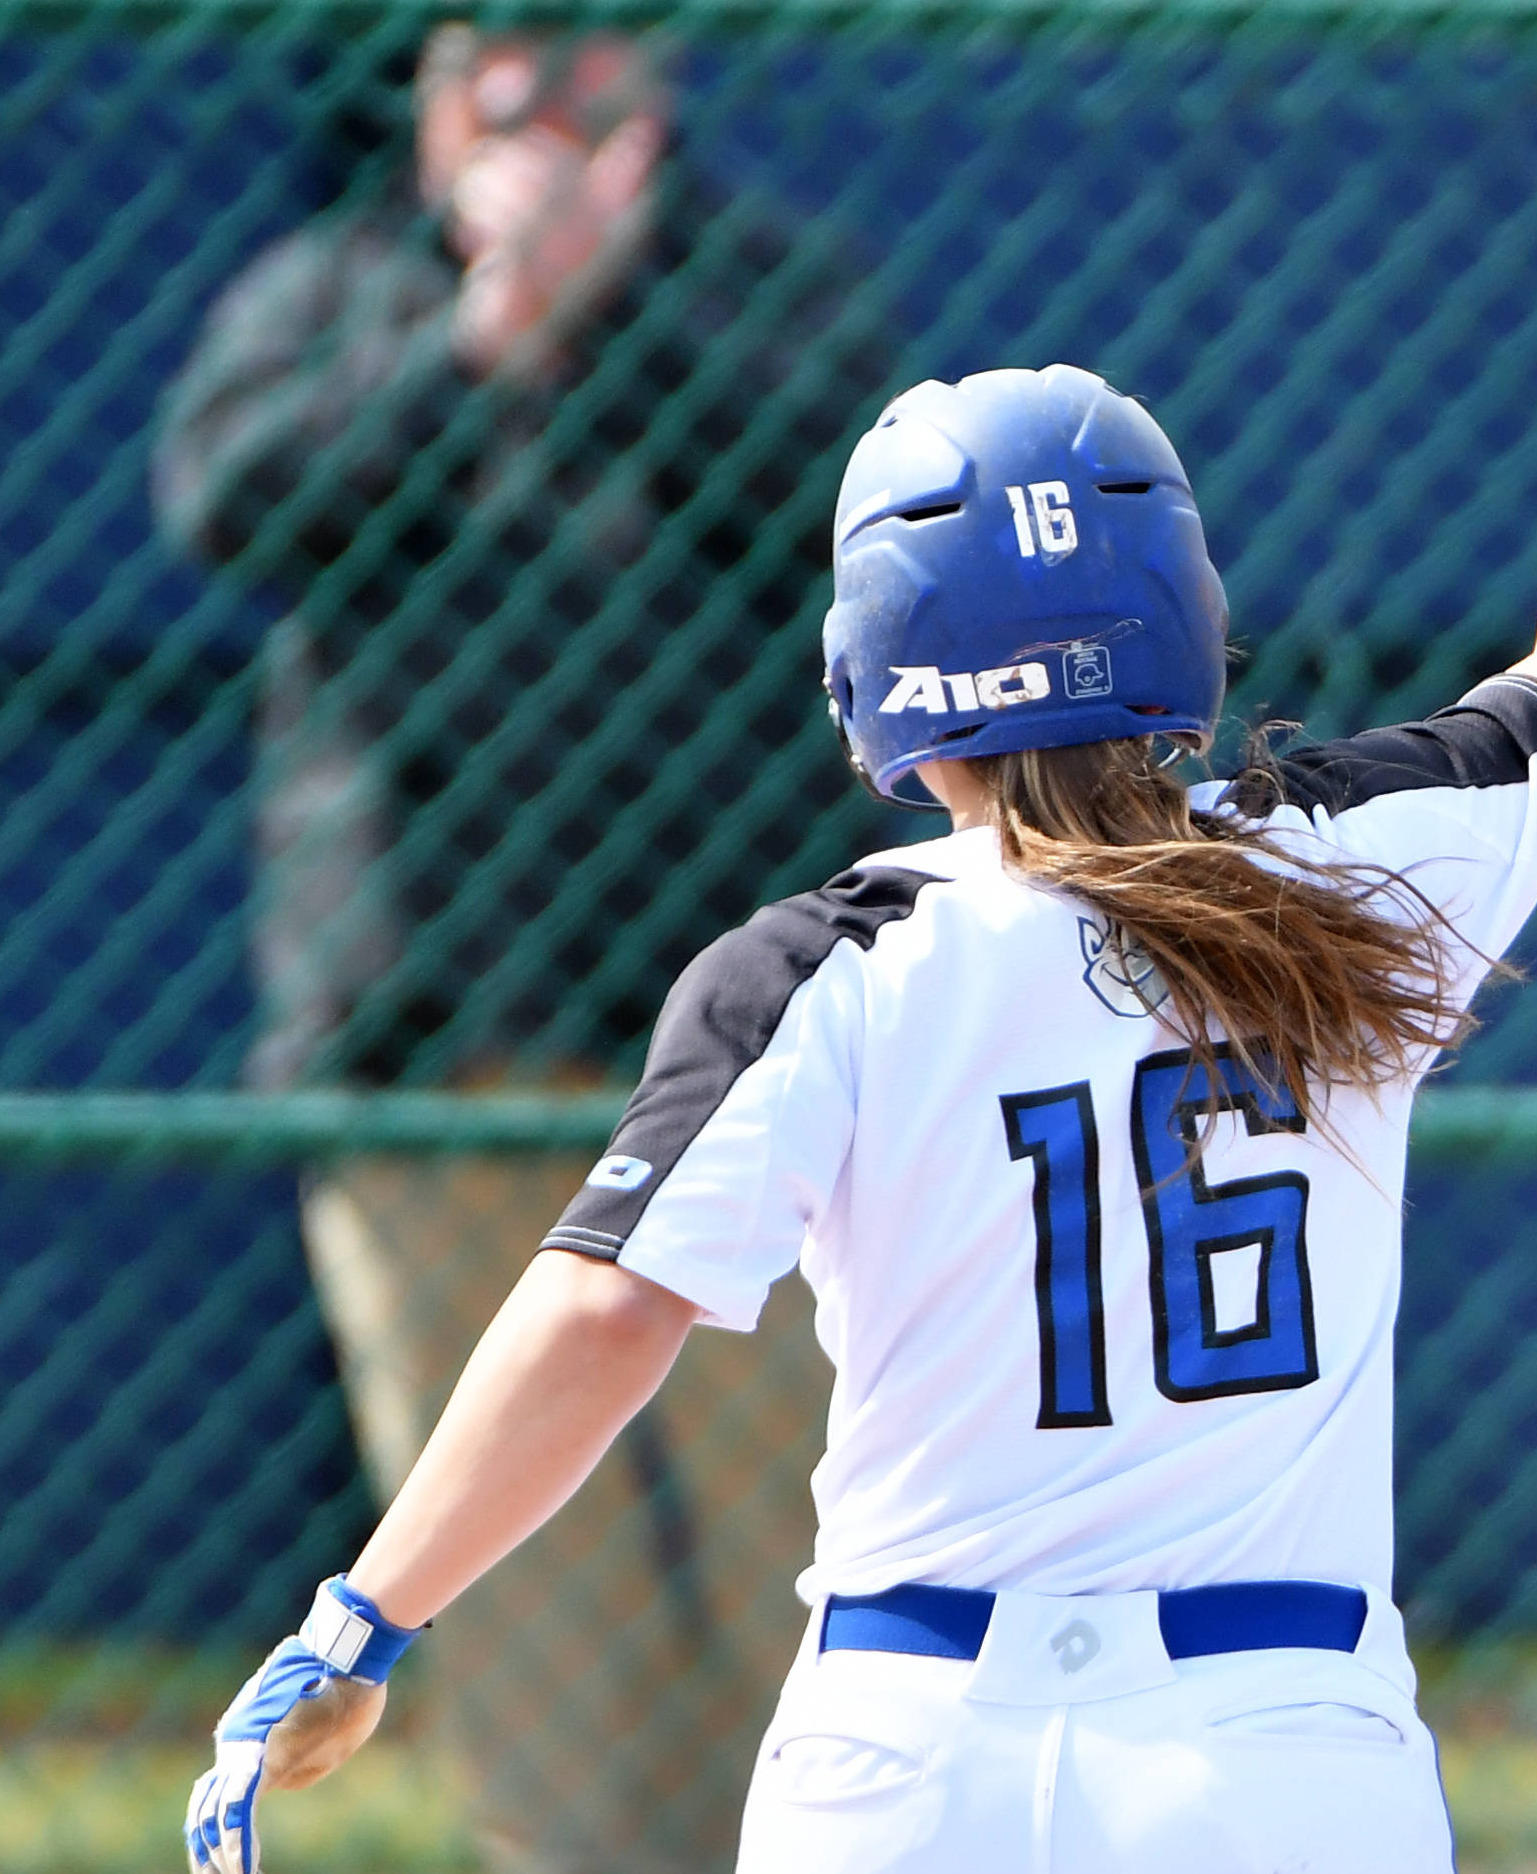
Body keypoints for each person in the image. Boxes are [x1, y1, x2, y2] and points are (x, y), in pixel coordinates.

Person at [178, 44, 1537, 1874]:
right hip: (1278, 1750)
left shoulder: (818, 966)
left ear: (867, 692)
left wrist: (359, 1619)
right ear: (1191, 631)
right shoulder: (1347, 861)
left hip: (909, 1750)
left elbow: (602, 1310)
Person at [153, 30, 902, 1865]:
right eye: (500, 102)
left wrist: (608, 308)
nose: (539, 142)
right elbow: (228, 506)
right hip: (424, 1029)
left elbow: (839, 508)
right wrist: (476, 336)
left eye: (586, 104)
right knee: (506, 1572)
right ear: (429, 113)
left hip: (736, 1043)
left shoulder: (760, 291)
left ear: (654, 116)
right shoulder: (327, 297)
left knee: (805, 1526)